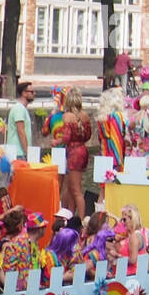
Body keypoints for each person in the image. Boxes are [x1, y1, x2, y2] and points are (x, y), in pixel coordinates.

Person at [53, 87, 92, 217]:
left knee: (76, 190)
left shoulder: (67, 116)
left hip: (73, 153)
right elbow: (88, 136)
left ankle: (81, 220)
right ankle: (69, 214)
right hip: (83, 151)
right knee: (71, 187)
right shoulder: (85, 116)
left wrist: (56, 142)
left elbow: (67, 137)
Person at [6, 81, 35, 158]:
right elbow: (21, 131)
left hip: (20, 152)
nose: (34, 94)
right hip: (18, 153)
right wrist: (27, 152)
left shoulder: (22, 109)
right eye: (32, 92)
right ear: (24, 93)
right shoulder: (19, 108)